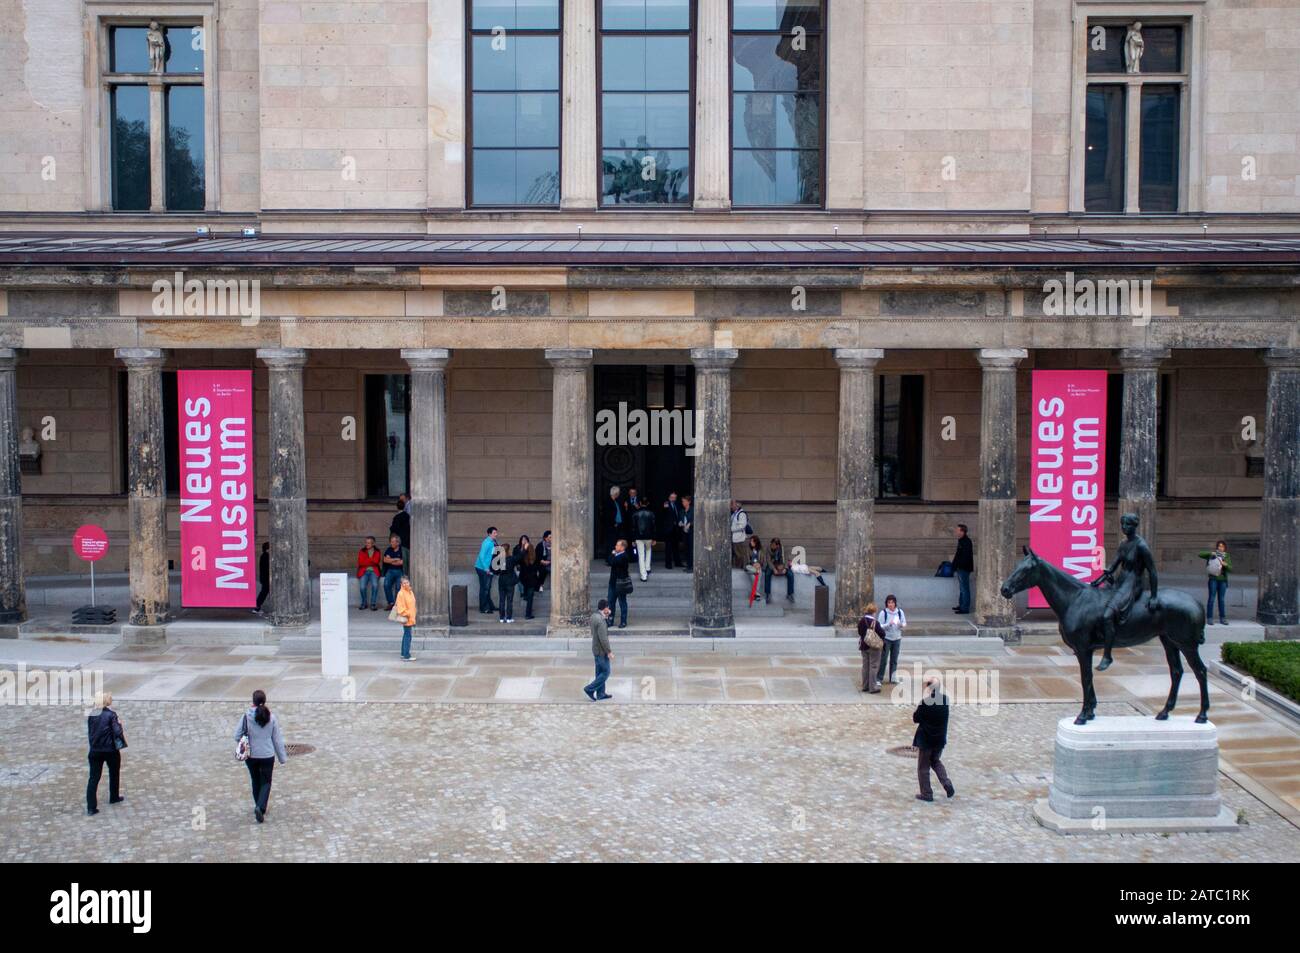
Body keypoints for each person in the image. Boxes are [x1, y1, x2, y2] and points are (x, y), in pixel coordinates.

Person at [1090, 512, 1159, 671]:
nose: (1124, 527)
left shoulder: (1141, 546)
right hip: (1120, 581)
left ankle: (1107, 655)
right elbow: (1113, 566)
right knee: (1096, 604)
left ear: (1134, 526)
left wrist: (1154, 596)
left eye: (1127, 524)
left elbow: (1153, 571)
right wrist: (1098, 581)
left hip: (1133, 584)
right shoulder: (1123, 544)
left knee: (1107, 615)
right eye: (1122, 524)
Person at [235, 689, 288, 823]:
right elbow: (277, 739)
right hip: (267, 755)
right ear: (265, 701)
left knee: (255, 779)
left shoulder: (246, 717)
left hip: (251, 755)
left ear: (253, 701)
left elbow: (237, 735)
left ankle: (258, 805)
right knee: (266, 782)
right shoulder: (271, 717)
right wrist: (282, 758)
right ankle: (260, 807)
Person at [913, 675, 955, 801]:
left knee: (923, 767)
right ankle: (947, 783)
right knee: (935, 761)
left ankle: (926, 793)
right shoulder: (945, 700)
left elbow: (916, 718)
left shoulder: (925, 703)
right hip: (939, 740)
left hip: (926, 741)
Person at [86, 691, 126, 815]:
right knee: (114, 772)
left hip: (95, 750)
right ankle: (114, 796)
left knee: (93, 778)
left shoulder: (92, 715)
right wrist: (120, 724)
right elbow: (117, 731)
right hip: (110, 750)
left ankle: (91, 807)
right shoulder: (111, 715)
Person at [584, 599, 614, 701]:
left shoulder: (594, 616)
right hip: (601, 651)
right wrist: (609, 651)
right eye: (608, 608)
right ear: (605, 608)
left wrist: (606, 616)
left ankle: (601, 693)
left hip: (595, 648)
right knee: (606, 672)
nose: (609, 609)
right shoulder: (601, 621)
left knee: (599, 672)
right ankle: (589, 689)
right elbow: (603, 639)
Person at [1199, 540, 1232, 625]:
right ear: (1217, 547)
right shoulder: (1213, 554)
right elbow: (1200, 554)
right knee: (1211, 598)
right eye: (1219, 546)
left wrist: (1226, 565)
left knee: (1221, 600)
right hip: (1213, 579)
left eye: (1222, 546)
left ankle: (1222, 618)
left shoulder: (1227, 556)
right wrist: (1210, 553)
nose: (1220, 548)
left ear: (1225, 548)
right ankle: (1209, 618)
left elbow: (1230, 569)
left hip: (1223, 580)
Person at [877, 594, 906, 685]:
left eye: (892, 602)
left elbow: (904, 623)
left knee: (894, 660)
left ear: (895, 603)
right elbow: (879, 626)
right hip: (886, 639)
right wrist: (888, 624)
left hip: (897, 638)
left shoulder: (900, 612)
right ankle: (879, 678)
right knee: (883, 659)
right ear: (886, 604)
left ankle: (893, 678)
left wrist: (900, 624)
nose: (890, 604)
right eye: (889, 602)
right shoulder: (883, 613)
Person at [857, 602, 885, 693]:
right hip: (873, 647)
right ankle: (873, 687)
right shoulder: (875, 622)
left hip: (863, 645)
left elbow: (860, 632)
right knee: (873, 666)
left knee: (865, 666)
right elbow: (882, 633)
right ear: (874, 612)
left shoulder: (862, 621)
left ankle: (865, 686)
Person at [606, 538, 631, 629]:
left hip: (621, 583)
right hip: (613, 582)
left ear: (622, 547)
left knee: (622, 602)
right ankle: (610, 620)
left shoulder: (624, 556)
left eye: (617, 545)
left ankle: (623, 621)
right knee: (611, 602)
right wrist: (613, 555)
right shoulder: (616, 555)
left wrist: (613, 554)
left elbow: (613, 562)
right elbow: (608, 561)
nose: (615, 546)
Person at [764, 537, 795, 604]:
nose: (772, 546)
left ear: (778, 545)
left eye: (774, 545)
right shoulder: (768, 548)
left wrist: (785, 568)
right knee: (767, 574)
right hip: (772, 565)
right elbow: (768, 561)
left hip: (782, 565)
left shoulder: (783, 549)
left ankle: (790, 594)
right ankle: (768, 594)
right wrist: (774, 569)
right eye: (771, 544)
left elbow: (786, 559)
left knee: (790, 574)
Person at [517, 539, 543, 620]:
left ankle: (525, 596)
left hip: (524, 579)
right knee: (530, 598)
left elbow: (518, 558)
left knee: (528, 595)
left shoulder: (522, 559)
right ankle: (528, 614)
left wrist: (523, 549)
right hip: (532, 580)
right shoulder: (535, 559)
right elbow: (538, 569)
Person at [475, 526, 498, 614]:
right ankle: (484, 608)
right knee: (485, 588)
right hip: (482, 568)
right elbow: (481, 556)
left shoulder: (492, 542)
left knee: (486, 588)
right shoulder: (487, 542)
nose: (496, 534)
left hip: (486, 568)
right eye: (494, 533)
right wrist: (486, 568)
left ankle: (490, 606)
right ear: (489, 534)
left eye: (496, 532)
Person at [632, 497, 656, 581]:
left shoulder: (635, 514)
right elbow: (654, 527)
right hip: (649, 536)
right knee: (648, 551)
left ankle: (643, 575)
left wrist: (633, 539)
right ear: (648, 503)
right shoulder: (651, 514)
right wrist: (654, 538)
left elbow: (633, 528)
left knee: (641, 555)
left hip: (638, 537)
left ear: (640, 503)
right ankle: (647, 568)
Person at [952, 523, 973, 614]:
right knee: (962, 588)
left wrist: (958, 566)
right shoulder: (961, 541)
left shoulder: (966, 541)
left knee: (964, 589)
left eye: (957, 530)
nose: (956, 531)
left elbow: (965, 557)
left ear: (962, 531)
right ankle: (961, 605)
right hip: (961, 568)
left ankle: (965, 608)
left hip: (964, 568)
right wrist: (954, 566)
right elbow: (958, 555)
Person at [356, 535, 382, 610]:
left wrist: (367, 560)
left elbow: (376, 561)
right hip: (363, 571)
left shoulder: (377, 551)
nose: (367, 544)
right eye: (366, 542)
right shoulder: (362, 551)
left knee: (375, 585)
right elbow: (361, 562)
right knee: (362, 587)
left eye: (369, 543)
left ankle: (373, 604)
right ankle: (364, 603)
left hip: (374, 571)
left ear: (373, 543)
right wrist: (371, 560)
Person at [395, 575, 417, 660]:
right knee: (408, 636)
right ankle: (406, 655)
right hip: (407, 617)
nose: (406, 584)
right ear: (401, 584)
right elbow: (400, 608)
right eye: (404, 583)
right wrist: (408, 614)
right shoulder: (401, 593)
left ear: (409, 582)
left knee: (406, 635)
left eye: (407, 582)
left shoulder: (410, 592)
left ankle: (403, 653)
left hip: (410, 617)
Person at [381, 533, 405, 610]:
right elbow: (385, 560)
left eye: (393, 542)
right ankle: (391, 603)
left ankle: (397, 605)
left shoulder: (402, 550)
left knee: (398, 588)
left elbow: (401, 562)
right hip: (390, 571)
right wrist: (395, 559)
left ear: (398, 543)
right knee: (386, 585)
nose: (391, 543)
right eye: (391, 541)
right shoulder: (389, 549)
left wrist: (390, 560)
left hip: (399, 571)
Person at [497, 543, 519, 623]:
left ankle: (501, 618)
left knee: (501, 600)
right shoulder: (511, 558)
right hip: (510, 581)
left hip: (502, 581)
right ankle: (509, 618)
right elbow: (519, 557)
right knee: (509, 601)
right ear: (508, 550)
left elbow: (495, 569)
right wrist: (524, 549)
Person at [662, 492, 684, 569]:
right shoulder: (666, 504)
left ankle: (678, 562)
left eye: (674, 497)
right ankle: (668, 564)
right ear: (669, 497)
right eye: (672, 497)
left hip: (676, 529)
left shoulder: (677, 505)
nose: (673, 499)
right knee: (668, 547)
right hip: (668, 529)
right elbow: (664, 513)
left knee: (676, 547)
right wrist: (665, 507)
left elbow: (679, 514)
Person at [730, 500, 751, 568]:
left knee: (740, 556)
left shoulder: (741, 514)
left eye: (732, 504)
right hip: (734, 539)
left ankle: (740, 569)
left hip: (739, 539)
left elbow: (742, 526)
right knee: (736, 556)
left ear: (737, 505)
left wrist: (730, 529)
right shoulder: (734, 513)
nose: (730, 506)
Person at [606, 486, 627, 552]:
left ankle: (616, 555)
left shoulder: (616, 501)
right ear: (616, 493)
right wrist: (614, 523)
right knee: (611, 543)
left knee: (617, 543)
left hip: (618, 526)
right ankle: (611, 556)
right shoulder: (609, 502)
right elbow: (608, 515)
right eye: (618, 493)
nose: (619, 494)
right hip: (612, 526)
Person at [679, 496, 694, 571]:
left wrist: (690, 524)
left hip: (691, 532)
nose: (683, 503)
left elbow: (696, 519)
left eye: (684, 501)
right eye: (682, 501)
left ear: (689, 502)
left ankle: (691, 566)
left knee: (691, 549)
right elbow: (680, 519)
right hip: (684, 532)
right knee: (686, 549)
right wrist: (680, 523)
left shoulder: (693, 510)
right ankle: (688, 565)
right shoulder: (682, 511)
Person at [256, 541, 270, 613]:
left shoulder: (264, 555)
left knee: (264, 592)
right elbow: (267, 568)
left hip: (265, 578)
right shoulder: (266, 556)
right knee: (264, 592)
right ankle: (257, 607)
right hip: (266, 578)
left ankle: (257, 606)